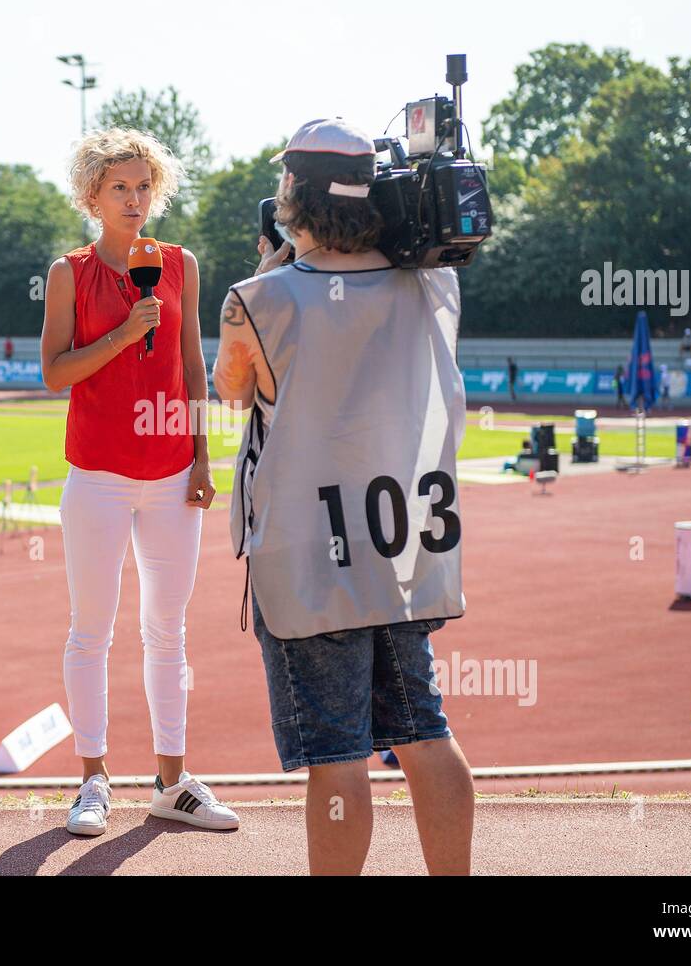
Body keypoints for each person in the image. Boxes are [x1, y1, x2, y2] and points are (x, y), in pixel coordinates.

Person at [214, 118, 473, 875]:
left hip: (311, 554)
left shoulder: (254, 300)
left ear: (295, 192)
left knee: (337, 756)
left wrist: (275, 266)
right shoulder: (437, 285)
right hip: (408, 542)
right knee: (424, 730)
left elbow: (234, 392)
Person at [40, 127, 238, 837]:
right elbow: (55, 371)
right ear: (91, 195)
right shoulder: (70, 272)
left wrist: (203, 458)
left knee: (168, 631)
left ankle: (173, 782)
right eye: (119, 187)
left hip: (171, 475)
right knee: (90, 632)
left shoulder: (180, 263)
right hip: (95, 476)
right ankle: (92, 780)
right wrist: (122, 336)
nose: (134, 198)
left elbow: (192, 365)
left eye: (143, 185)